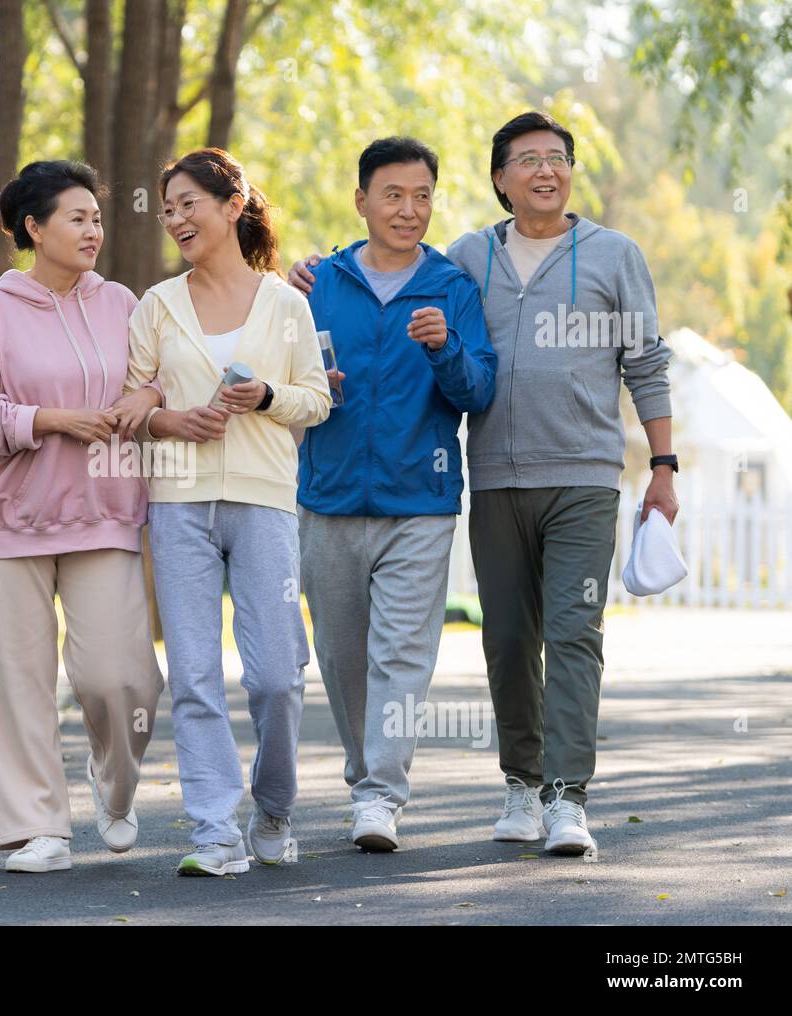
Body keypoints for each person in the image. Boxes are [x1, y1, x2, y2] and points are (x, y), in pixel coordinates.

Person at [291, 110, 676, 855]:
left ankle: (567, 798)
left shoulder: (613, 255)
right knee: (506, 638)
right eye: (527, 159)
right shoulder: (467, 259)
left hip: (585, 475)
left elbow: (647, 363)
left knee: (574, 635)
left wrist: (663, 466)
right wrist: (309, 270)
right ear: (500, 180)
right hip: (494, 476)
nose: (545, 170)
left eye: (557, 157)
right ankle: (521, 786)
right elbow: (379, 270)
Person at [0, 160, 165, 874]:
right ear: (33, 229)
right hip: (11, 523)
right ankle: (32, 827)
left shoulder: (122, 304)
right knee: (16, 683)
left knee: (120, 676)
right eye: (77, 217)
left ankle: (115, 787)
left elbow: (159, 374)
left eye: (97, 217)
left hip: (103, 513)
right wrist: (48, 419)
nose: (93, 228)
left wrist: (148, 396)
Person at [122, 147, 331, 876]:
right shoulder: (156, 305)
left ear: (232, 206)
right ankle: (213, 831)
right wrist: (164, 419)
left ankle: (273, 807)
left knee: (276, 674)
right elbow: (132, 398)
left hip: (265, 501)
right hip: (178, 505)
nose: (175, 218)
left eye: (189, 204)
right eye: (168, 208)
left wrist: (268, 397)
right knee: (193, 675)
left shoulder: (286, 304)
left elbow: (318, 399)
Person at [285, 137, 496, 852]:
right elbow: (280, 381)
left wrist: (446, 349)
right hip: (328, 495)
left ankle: (380, 795)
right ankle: (362, 771)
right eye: (394, 195)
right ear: (362, 201)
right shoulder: (318, 283)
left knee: (402, 655)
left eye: (423, 196)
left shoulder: (452, 288)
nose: (410, 210)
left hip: (420, 501)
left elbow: (479, 390)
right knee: (342, 654)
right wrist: (316, 385)